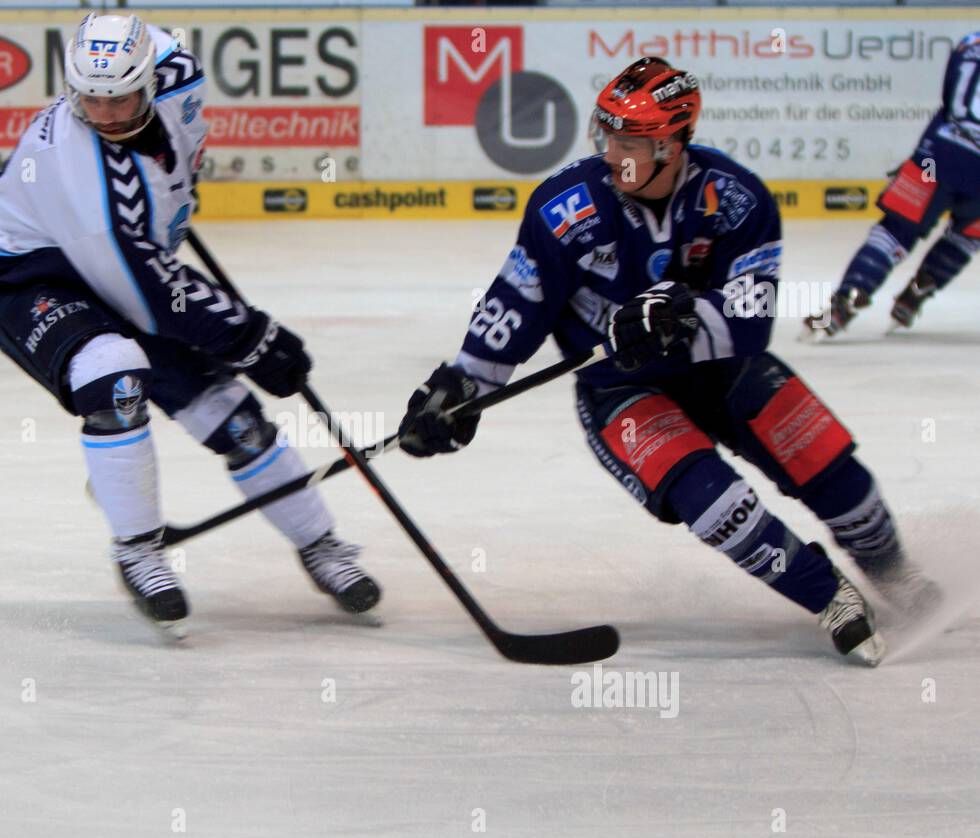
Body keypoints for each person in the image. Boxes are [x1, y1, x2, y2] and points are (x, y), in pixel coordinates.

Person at [398, 57, 934, 666]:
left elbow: (751, 319)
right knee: (710, 500)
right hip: (618, 388)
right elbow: (521, 299)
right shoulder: (564, 206)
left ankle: (897, 576)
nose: (611, 154)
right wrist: (464, 384)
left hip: (723, 369)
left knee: (825, 463)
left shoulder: (736, 200)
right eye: (607, 137)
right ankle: (825, 593)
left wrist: (678, 317)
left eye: (630, 142)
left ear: (675, 143)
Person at [0, 14, 380, 635]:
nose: (102, 114)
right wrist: (251, 337)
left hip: (123, 264)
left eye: (119, 97)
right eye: (88, 99)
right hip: (33, 277)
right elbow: (149, 290)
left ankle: (321, 544)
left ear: (150, 82)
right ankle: (137, 549)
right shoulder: (73, 165)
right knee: (114, 376)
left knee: (232, 416)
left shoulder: (175, 68)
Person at [807, 33, 980, 336]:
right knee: (967, 235)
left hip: (938, 155)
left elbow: (949, 98)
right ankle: (917, 293)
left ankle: (846, 299)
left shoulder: (969, 42)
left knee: (894, 230)